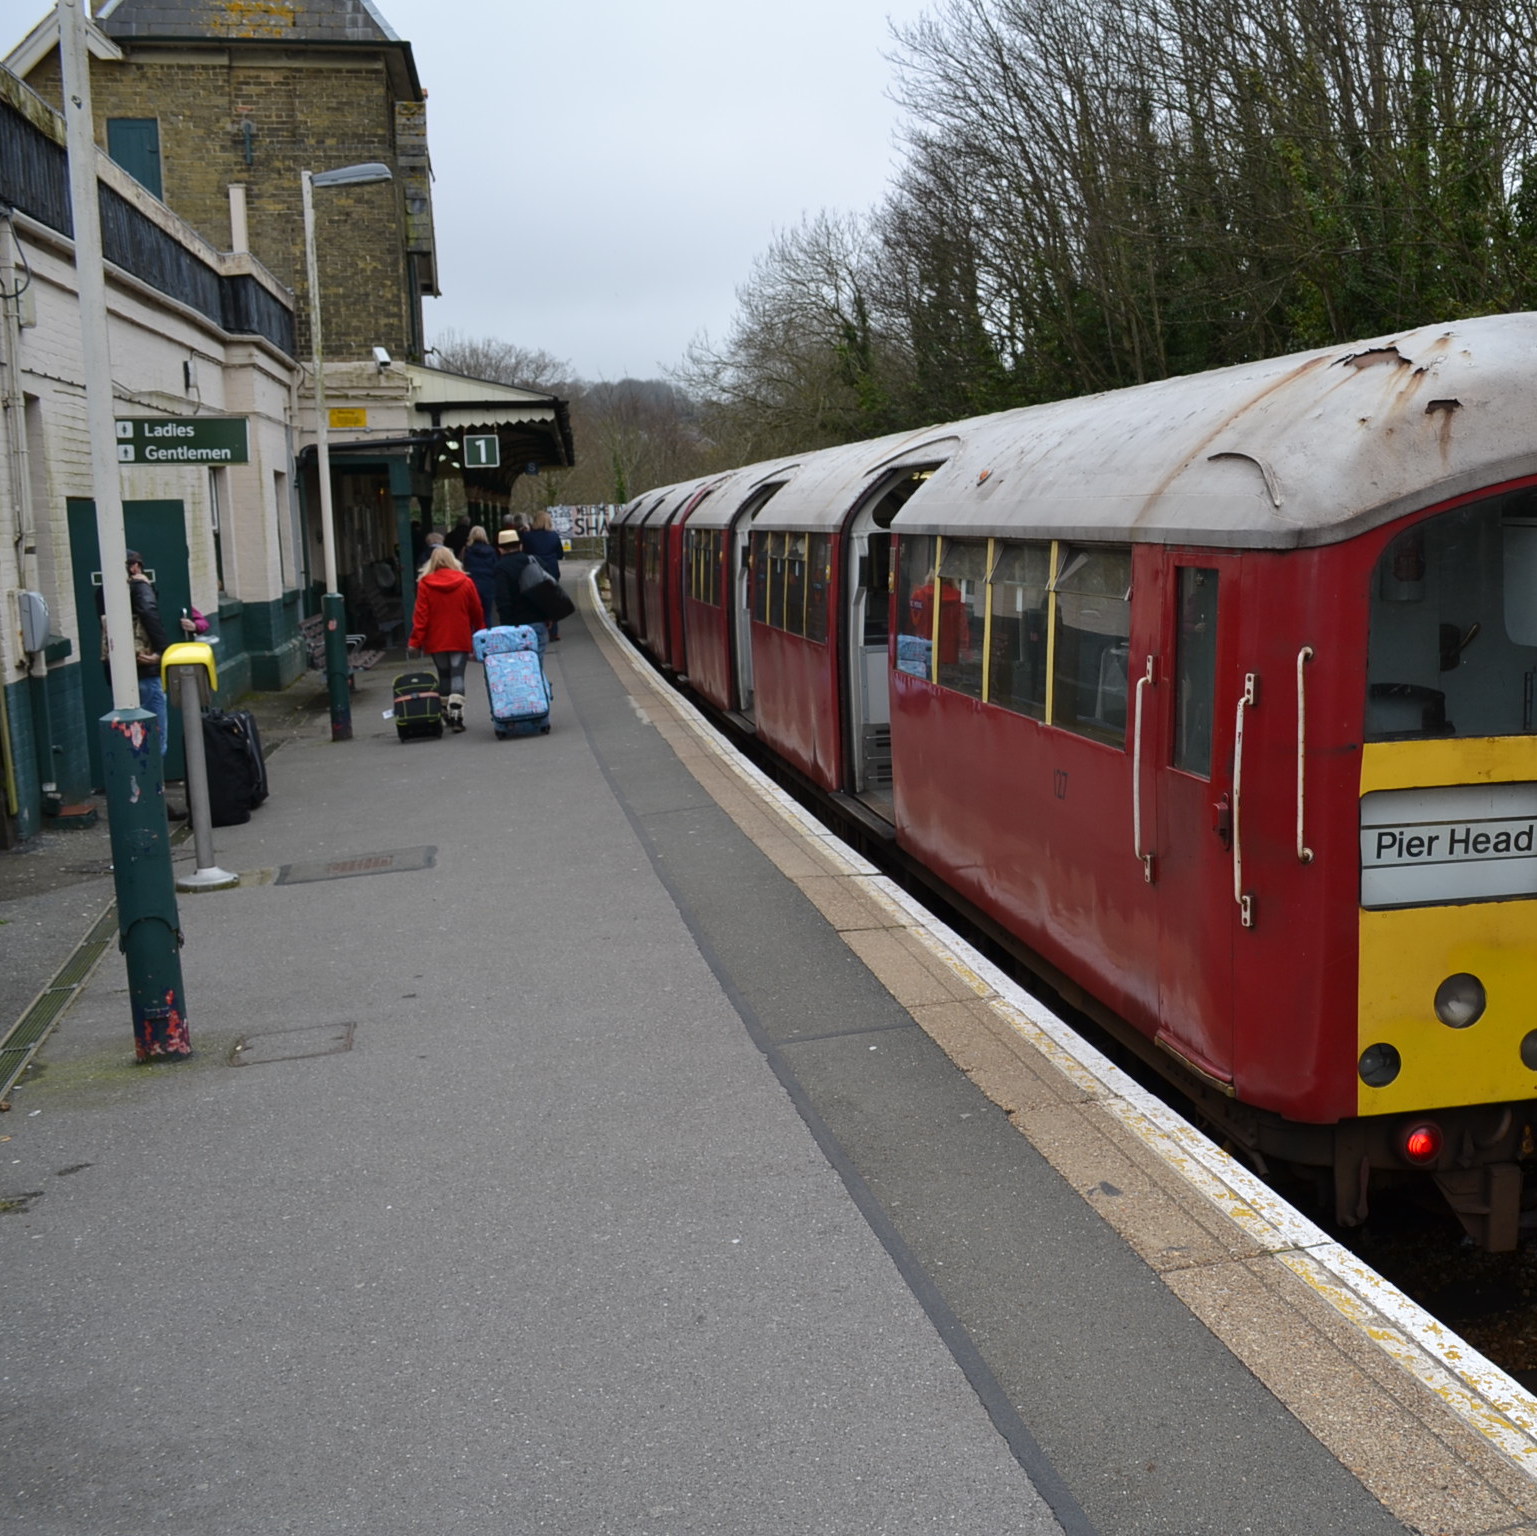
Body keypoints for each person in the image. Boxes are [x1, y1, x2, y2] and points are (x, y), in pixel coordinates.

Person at [99, 550, 184, 817]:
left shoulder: (103, 592)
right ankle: (154, 802)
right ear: (135, 566)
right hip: (145, 671)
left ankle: (137, 799)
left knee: (130, 737)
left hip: (119, 672)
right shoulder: (139, 588)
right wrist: (163, 650)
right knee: (154, 739)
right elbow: (148, 612)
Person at [407, 546, 483, 733]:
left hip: (437, 638)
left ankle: (445, 713)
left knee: (444, 675)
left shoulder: (425, 584)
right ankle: (457, 716)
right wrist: (481, 631)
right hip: (459, 636)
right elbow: (476, 610)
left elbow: (421, 616)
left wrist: (415, 641)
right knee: (457, 675)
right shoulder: (466, 582)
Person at [491, 528, 548, 654]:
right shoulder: (534, 561)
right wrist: (548, 616)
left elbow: (503, 600)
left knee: (520, 669)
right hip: (538, 622)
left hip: (515, 625)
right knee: (536, 667)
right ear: (520, 546)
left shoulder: (501, 568)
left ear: (500, 549)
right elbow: (547, 589)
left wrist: (505, 626)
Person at [521, 509, 565, 641]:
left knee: (535, 599)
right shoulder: (554, 536)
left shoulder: (528, 536)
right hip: (551, 570)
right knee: (552, 600)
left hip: (534, 569)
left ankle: (537, 628)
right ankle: (554, 632)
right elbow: (560, 555)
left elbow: (524, 552)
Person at [461, 524, 499, 629]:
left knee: (471, 614)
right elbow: (495, 567)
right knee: (487, 614)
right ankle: (488, 637)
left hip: (472, 584)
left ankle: (472, 638)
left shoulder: (466, 550)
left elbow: (462, 566)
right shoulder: (491, 551)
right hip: (488, 584)